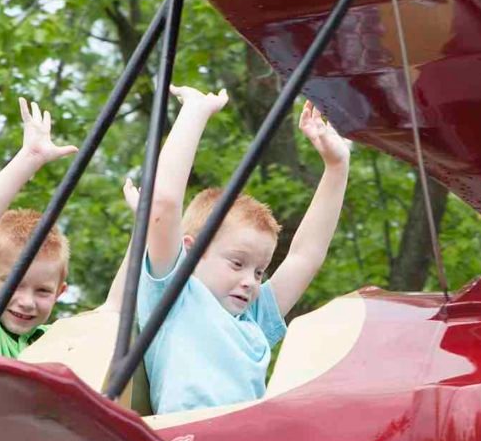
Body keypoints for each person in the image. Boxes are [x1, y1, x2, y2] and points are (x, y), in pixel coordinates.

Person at [138, 85, 351, 414]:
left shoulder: (251, 318)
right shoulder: (175, 293)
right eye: (237, 263)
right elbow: (163, 204)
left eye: (258, 271)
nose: (251, 281)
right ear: (192, 252)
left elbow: (304, 257)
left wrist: (337, 168)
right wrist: (194, 113)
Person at [0, 98, 134, 357]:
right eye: (13, 283)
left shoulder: (51, 344)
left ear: (60, 291)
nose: (26, 302)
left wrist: (148, 227)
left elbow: (113, 310)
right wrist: (30, 158)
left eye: (42, 291)